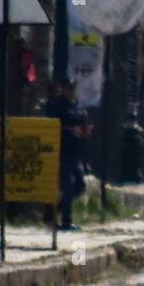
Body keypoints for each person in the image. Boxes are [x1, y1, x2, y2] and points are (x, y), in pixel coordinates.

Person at [45, 79, 91, 231]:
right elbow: (53, 126)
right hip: (61, 151)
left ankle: (52, 213)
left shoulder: (77, 107)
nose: (70, 91)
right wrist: (71, 131)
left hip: (76, 152)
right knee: (68, 185)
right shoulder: (57, 107)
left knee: (80, 186)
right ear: (63, 89)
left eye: (72, 88)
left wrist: (85, 130)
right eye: (68, 88)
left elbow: (83, 121)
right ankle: (66, 221)